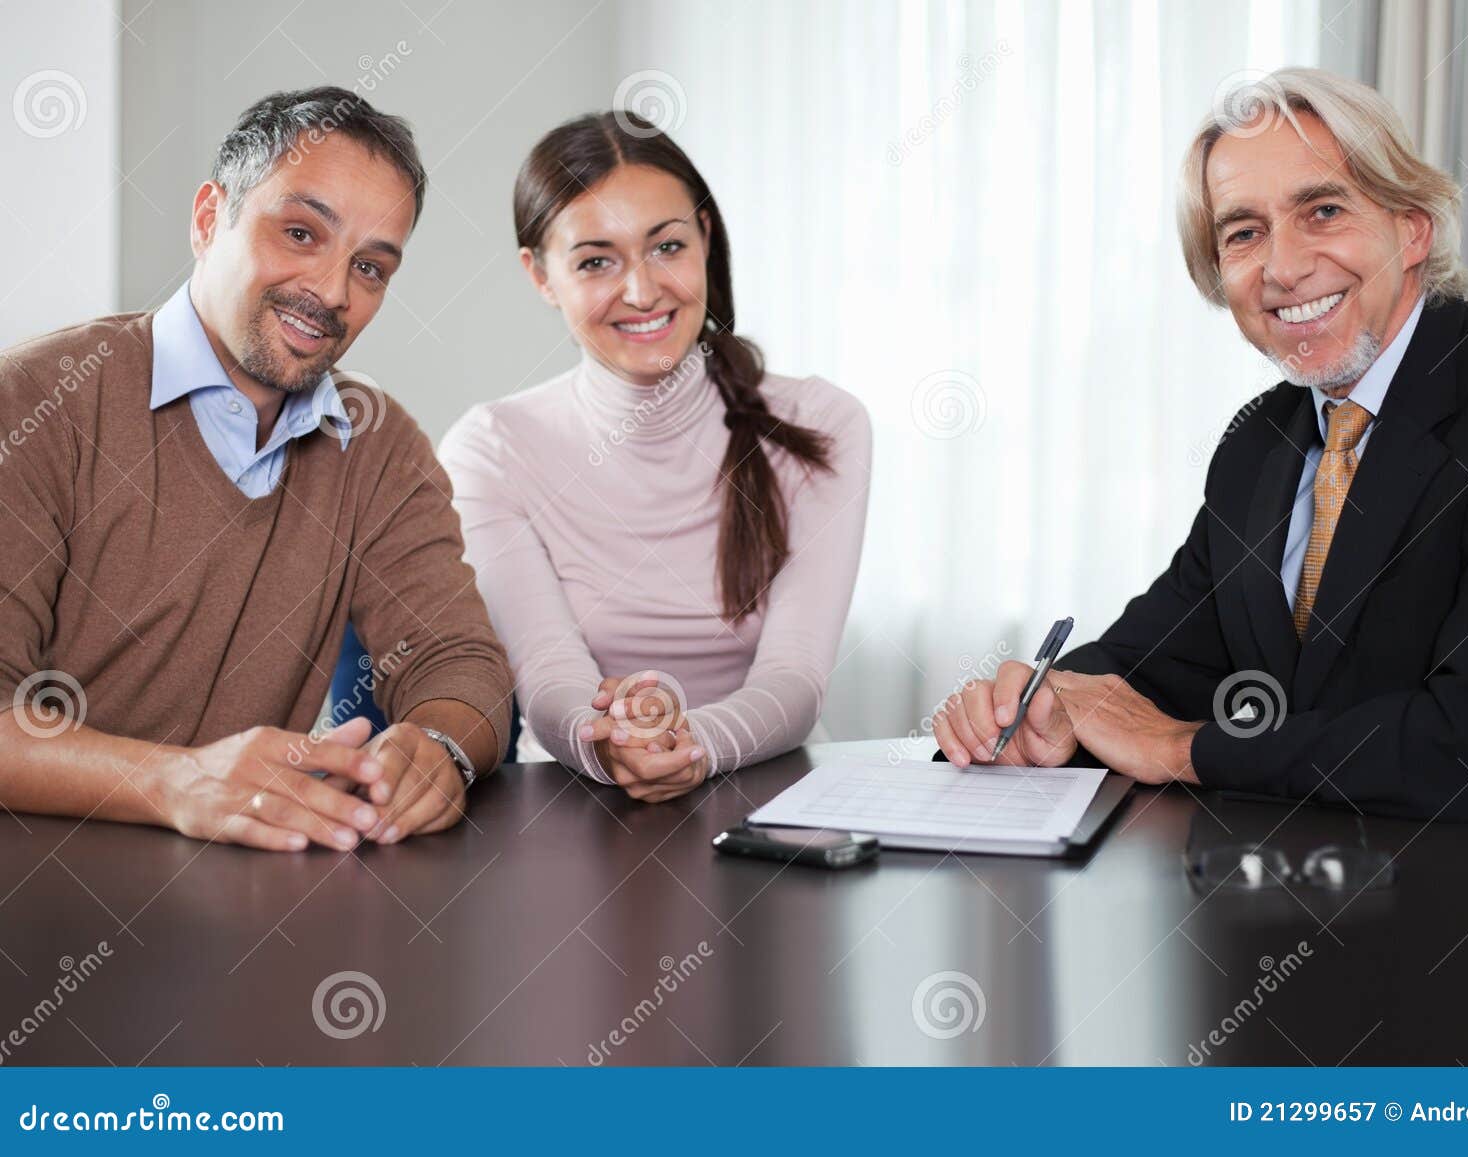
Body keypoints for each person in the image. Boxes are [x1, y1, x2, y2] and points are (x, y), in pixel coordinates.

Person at [933, 67, 1468, 823]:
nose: (1283, 268)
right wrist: (1046, 704)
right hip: (1282, 895)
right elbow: (1155, 663)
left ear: (1412, 228)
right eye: (1245, 232)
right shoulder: (1261, 438)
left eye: (1322, 210)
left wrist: (1185, 748)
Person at [0, 88, 513, 850]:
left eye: (370, 268)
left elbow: (460, 661)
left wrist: (435, 748)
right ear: (210, 217)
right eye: (301, 232)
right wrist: (176, 781)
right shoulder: (37, 401)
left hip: (226, 908)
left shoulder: (379, 444)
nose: (333, 292)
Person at [436, 111, 871, 804]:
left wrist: (693, 744)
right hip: (575, 805)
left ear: (704, 236)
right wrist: (609, 742)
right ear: (541, 275)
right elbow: (550, 675)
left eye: (666, 246)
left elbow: (795, 679)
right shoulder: (490, 448)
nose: (641, 291)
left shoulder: (821, 424)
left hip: (756, 805)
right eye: (596, 261)